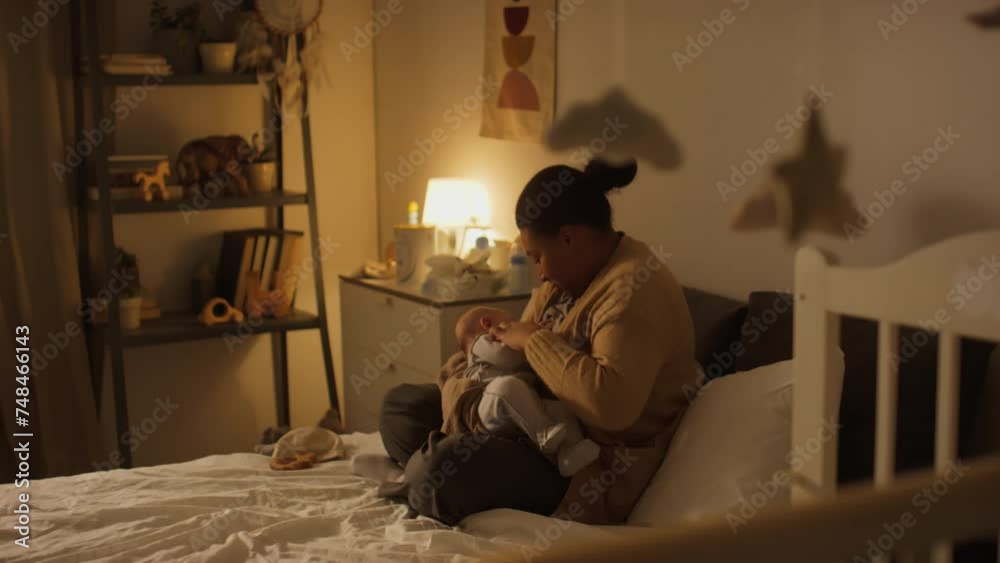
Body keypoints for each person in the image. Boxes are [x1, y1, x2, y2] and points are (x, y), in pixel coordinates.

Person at [378, 157, 699, 525]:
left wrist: (534, 340)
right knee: (401, 407)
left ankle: (430, 466)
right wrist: (477, 355)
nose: (540, 272)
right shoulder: (564, 281)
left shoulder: (632, 292)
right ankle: (434, 462)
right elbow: (518, 357)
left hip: (583, 461)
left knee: (443, 468)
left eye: (538, 257)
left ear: (568, 237)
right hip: (526, 418)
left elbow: (609, 406)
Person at [452, 306, 601, 476]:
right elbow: (507, 357)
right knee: (506, 386)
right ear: (487, 323)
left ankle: (569, 453)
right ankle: (543, 434)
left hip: (522, 407)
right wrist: (531, 338)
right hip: (490, 407)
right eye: (512, 322)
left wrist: (537, 336)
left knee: (558, 406)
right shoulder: (480, 342)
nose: (516, 326)